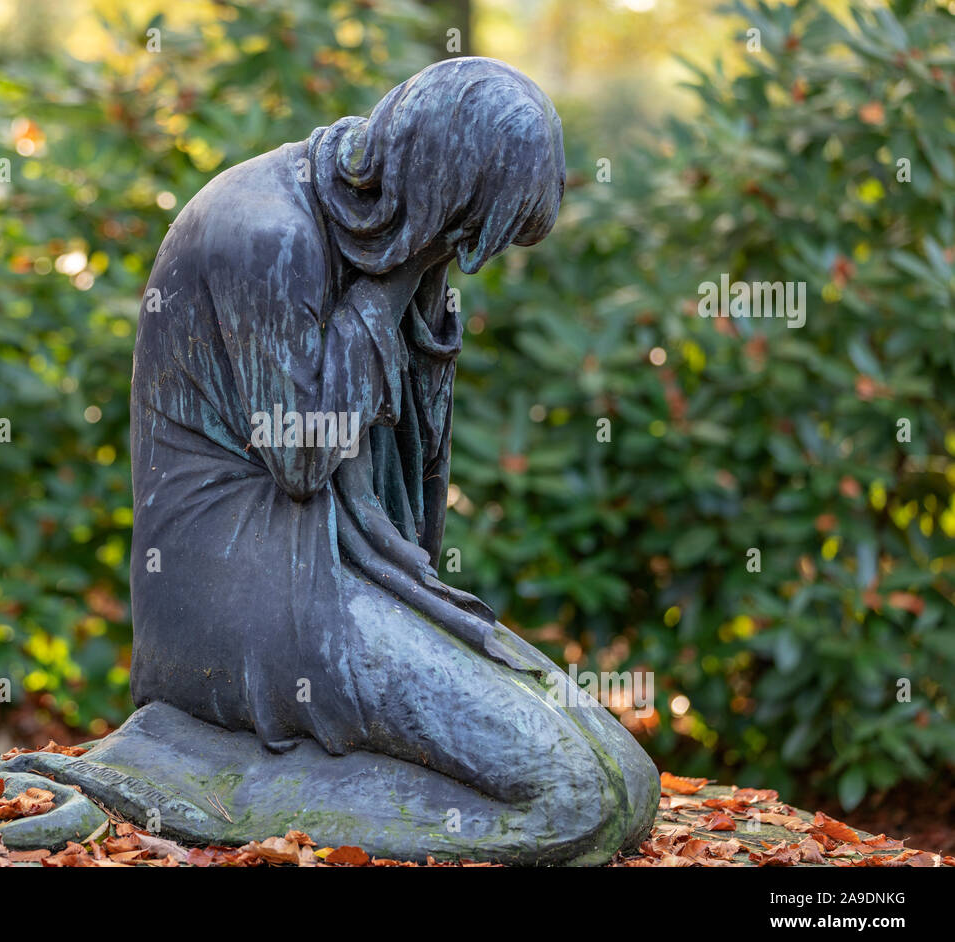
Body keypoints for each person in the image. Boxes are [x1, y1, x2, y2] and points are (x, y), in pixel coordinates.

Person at [129, 57, 655, 840]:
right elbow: (304, 455)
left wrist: (416, 275)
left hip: (336, 559)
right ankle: (236, 798)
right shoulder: (263, 233)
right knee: (569, 794)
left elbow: (410, 474)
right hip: (236, 581)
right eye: (466, 232)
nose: (465, 259)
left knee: (624, 774)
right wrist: (400, 275)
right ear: (439, 194)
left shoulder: (383, 232)